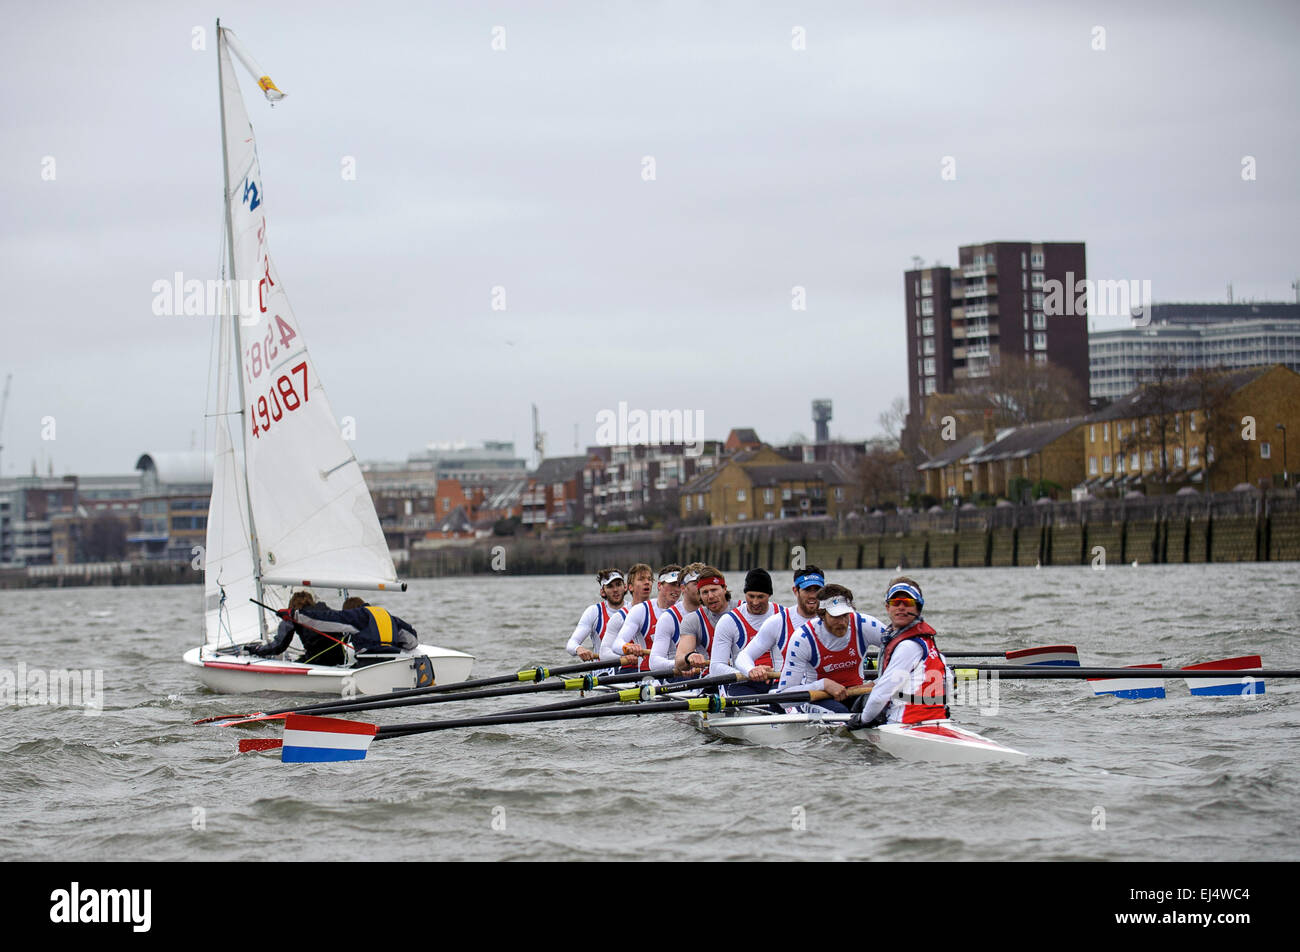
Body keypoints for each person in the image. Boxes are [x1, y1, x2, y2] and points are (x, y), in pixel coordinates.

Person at [847, 577, 952, 728]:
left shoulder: (907, 646)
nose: (901, 607)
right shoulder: (927, 642)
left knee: (863, 704)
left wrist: (862, 720)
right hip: (936, 720)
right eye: (895, 602)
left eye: (908, 603)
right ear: (887, 607)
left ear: (918, 608)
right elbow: (947, 680)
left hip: (905, 722)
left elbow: (880, 696)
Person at [775, 583, 887, 713]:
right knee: (839, 714)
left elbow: (899, 649)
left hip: (857, 692)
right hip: (818, 698)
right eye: (835, 617)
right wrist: (823, 685)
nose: (842, 622)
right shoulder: (803, 639)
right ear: (821, 614)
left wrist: (879, 682)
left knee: (881, 709)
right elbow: (783, 699)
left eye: (845, 615)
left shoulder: (864, 624)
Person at [735, 565, 826, 681]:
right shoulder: (778, 622)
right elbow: (743, 656)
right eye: (807, 590)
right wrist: (751, 670)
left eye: (817, 590)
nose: (813, 595)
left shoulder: (837, 619)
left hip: (828, 687)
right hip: (791, 689)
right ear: (795, 591)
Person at [709, 568, 781, 692]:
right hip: (743, 682)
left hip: (777, 680)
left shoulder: (783, 615)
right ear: (745, 594)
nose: (755, 602)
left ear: (769, 595)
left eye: (761, 597)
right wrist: (751, 672)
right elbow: (715, 668)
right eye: (751, 596)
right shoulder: (729, 621)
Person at [608, 564, 681, 672]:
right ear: (660, 585)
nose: (676, 589)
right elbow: (616, 645)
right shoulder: (640, 610)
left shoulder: (687, 611)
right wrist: (627, 647)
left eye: (679, 585)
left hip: (683, 673)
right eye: (672, 584)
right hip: (649, 676)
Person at [247, 590, 352, 664]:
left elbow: (279, 646)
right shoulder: (326, 611)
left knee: (299, 662)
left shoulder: (294, 616)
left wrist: (257, 649)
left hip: (318, 661)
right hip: (340, 658)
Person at [289, 596, 419, 655]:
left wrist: (295, 615)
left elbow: (327, 620)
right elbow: (411, 640)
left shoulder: (356, 616)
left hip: (369, 663)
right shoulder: (387, 615)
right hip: (394, 656)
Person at [674, 565, 731, 676]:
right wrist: (688, 657)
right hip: (711, 680)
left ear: (724, 589)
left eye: (714, 590)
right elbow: (679, 662)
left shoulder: (742, 610)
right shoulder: (692, 620)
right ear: (699, 595)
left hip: (745, 678)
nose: (710, 596)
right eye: (705, 592)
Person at [649, 562, 705, 675]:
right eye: (696, 583)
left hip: (707, 677)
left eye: (703, 583)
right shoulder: (669, 618)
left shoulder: (714, 614)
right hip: (677, 679)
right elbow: (654, 662)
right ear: (683, 588)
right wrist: (683, 664)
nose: (701, 587)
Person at [566, 568, 627, 661]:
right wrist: (578, 649)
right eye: (610, 586)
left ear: (625, 587)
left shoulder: (635, 610)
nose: (615, 590)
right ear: (603, 591)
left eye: (618, 585)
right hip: (603, 671)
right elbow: (571, 643)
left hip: (631, 669)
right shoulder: (594, 612)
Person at [599, 563, 654, 664]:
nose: (647, 582)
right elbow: (604, 653)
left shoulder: (662, 612)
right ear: (630, 587)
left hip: (657, 669)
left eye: (649, 579)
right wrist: (625, 655)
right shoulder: (619, 617)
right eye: (641, 579)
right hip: (630, 671)